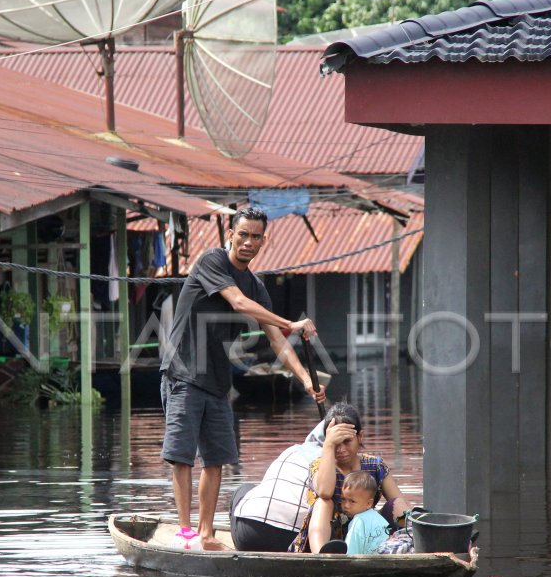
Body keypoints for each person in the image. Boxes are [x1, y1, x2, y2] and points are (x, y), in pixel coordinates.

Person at [160, 207, 325, 551]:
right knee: (182, 455)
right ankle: (186, 531)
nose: (248, 242)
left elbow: (276, 339)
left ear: (265, 240)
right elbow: (237, 303)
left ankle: (206, 533)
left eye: (256, 237)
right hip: (184, 373)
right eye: (243, 235)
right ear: (231, 236)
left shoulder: (256, 285)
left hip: (218, 381)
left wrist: (304, 380)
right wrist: (290, 321)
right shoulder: (212, 262)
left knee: (217, 457)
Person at [287, 402, 414, 554]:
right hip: (331, 541)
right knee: (323, 503)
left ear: (360, 437)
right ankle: (320, 556)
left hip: (365, 535)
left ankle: (413, 543)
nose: (341, 450)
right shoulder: (318, 466)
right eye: (336, 444)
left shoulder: (375, 465)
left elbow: (400, 504)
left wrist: (412, 523)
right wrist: (328, 445)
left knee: (398, 504)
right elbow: (325, 492)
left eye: (347, 442)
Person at [229, 418, 327, 552]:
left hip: (249, 534)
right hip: (294, 540)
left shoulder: (292, 450)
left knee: (244, 489)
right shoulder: (334, 464)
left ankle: (240, 552)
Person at [340, 471, 391, 555]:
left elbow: (350, 554)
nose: (346, 505)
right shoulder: (380, 519)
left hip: (368, 565)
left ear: (369, 504)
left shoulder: (358, 521)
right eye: (343, 499)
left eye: (352, 501)